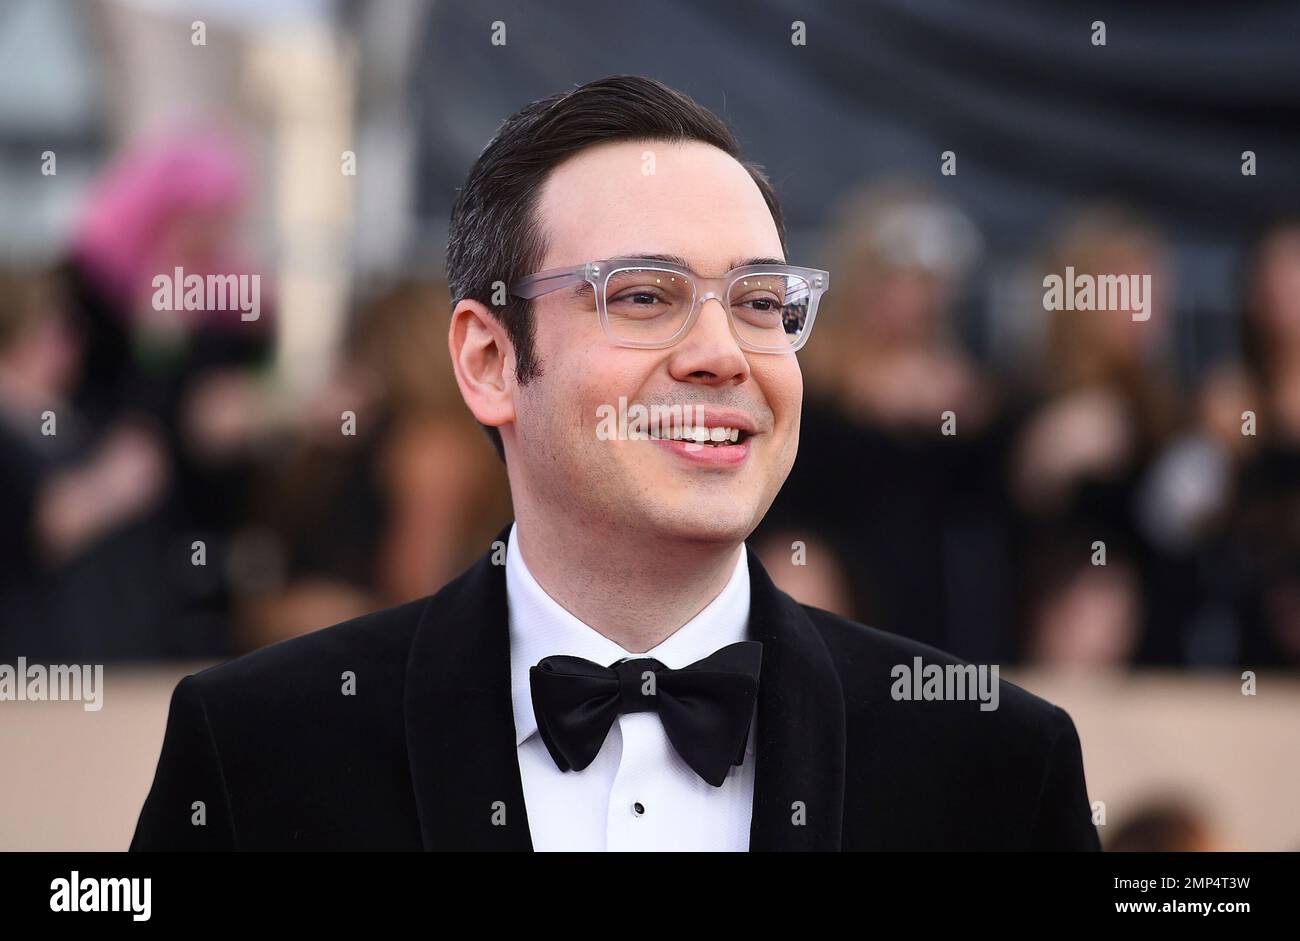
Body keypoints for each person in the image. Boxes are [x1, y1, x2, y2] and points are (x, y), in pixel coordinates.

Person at [131, 75, 1100, 851]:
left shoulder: (996, 766)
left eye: (761, 302)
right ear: (488, 361)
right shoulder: (261, 748)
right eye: (643, 296)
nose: (724, 352)